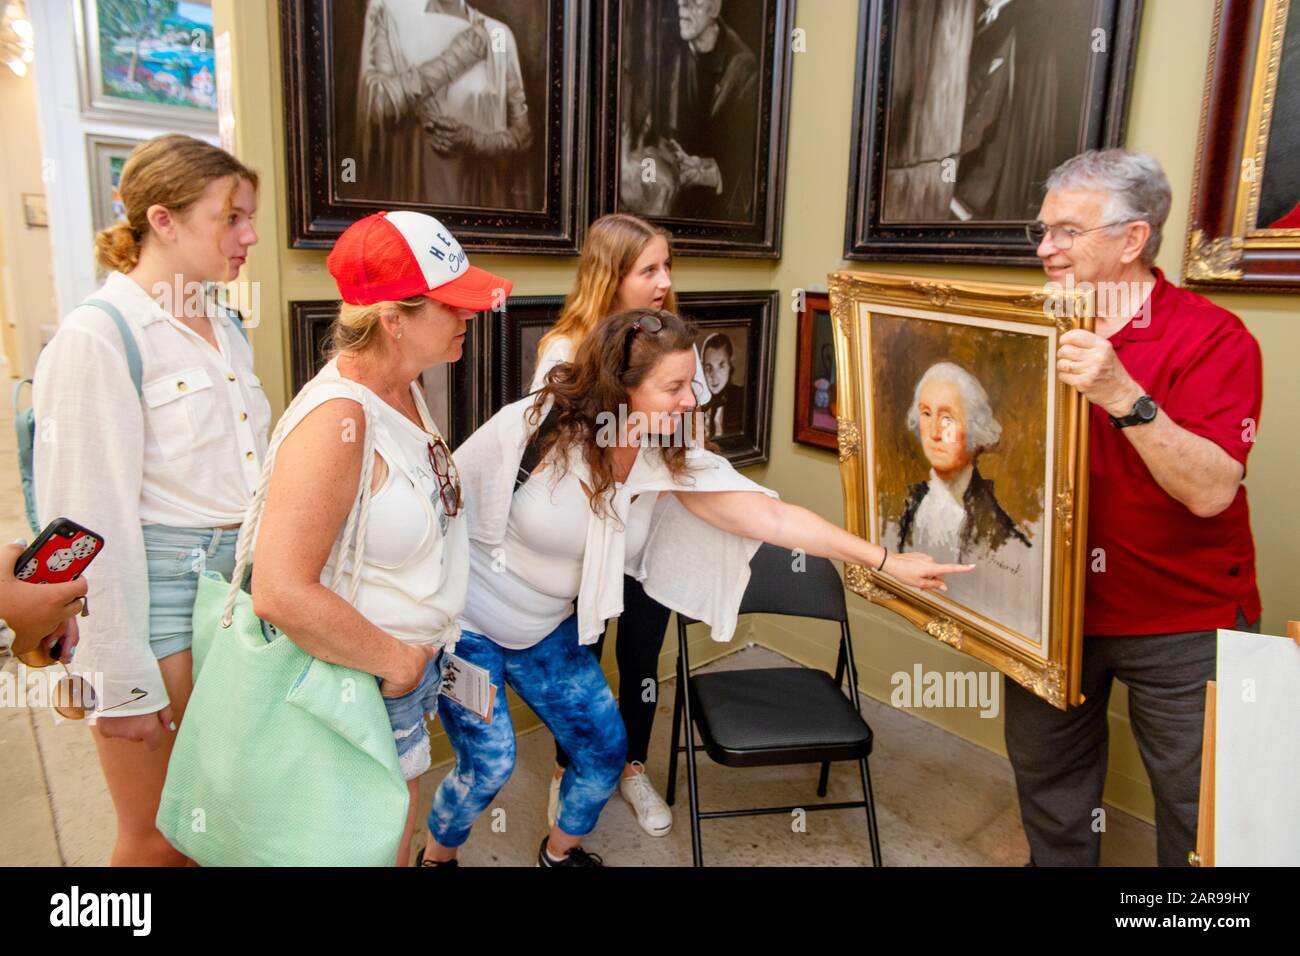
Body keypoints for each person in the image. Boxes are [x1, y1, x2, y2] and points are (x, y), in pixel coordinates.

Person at [420, 308, 973, 867]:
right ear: (621, 387)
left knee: (606, 750)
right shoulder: (533, 426)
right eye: (674, 387)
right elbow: (444, 503)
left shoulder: (664, 455)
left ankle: (560, 855)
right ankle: (436, 858)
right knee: (489, 762)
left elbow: (771, 519)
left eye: (692, 384)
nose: (691, 400)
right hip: (469, 628)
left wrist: (883, 560)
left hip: (552, 630)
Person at [1013, 148, 1263, 865]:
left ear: (1133, 239)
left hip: (1182, 618)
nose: (1045, 248)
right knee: (1050, 788)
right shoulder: (1027, 322)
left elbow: (1213, 490)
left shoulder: (1217, 338)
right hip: (1052, 610)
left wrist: (1123, 393)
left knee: (1199, 809)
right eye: (1042, 229)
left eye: (1066, 231)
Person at [249, 210, 511, 867]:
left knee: (392, 843)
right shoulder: (337, 418)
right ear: (394, 317)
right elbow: (278, 591)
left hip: (405, 677)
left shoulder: (404, 388)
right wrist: (397, 664)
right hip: (365, 684)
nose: (468, 315)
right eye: (453, 304)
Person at [32, 134, 266, 866]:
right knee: (158, 838)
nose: (249, 235)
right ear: (162, 221)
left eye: (250, 217)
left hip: (235, 601)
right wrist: (115, 680)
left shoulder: (224, 327)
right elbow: (82, 522)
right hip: (159, 609)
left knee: (216, 824)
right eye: (230, 217)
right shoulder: (98, 336)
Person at [530, 212, 710, 838]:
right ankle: (568, 772)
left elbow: (691, 433)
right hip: (584, 542)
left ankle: (632, 767)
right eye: (648, 269)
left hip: (650, 539)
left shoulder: (672, 341)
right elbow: (547, 456)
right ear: (611, 275)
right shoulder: (564, 349)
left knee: (640, 659)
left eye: (667, 267)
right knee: (579, 658)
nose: (663, 281)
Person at [891, 361, 1041, 638]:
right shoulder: (907, 503)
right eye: (926, 413)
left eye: (948, 418)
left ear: (975, 428)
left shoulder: (1001, 533)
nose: (935, 432)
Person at [356, 0, 533, 209]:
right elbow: (378, 105)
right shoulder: (390, 14)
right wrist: (454, 59)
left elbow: (523, 135)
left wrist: (473, 140)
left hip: (479, 201)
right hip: (415, 202)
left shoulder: (496, 34)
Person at [699, 331, 745, 438]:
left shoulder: (742, 400)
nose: (714, 377)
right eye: (708, 368)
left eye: (721, 366)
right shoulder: (694, 402)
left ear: (730, 364)